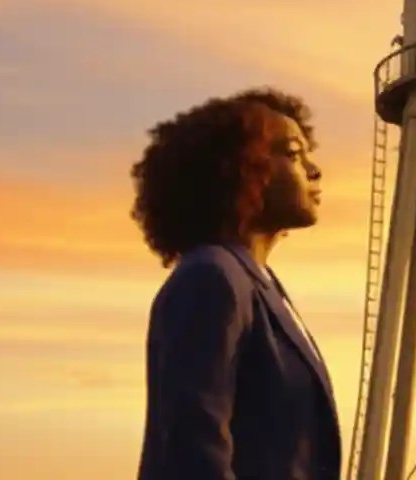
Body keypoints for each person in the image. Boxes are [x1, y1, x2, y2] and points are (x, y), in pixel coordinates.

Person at [132, 87, 341, 480]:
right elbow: (194, 451)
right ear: (241, 168)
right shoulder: (212, 277)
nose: (314, 170)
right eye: (294, 154)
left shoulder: (262, 286)